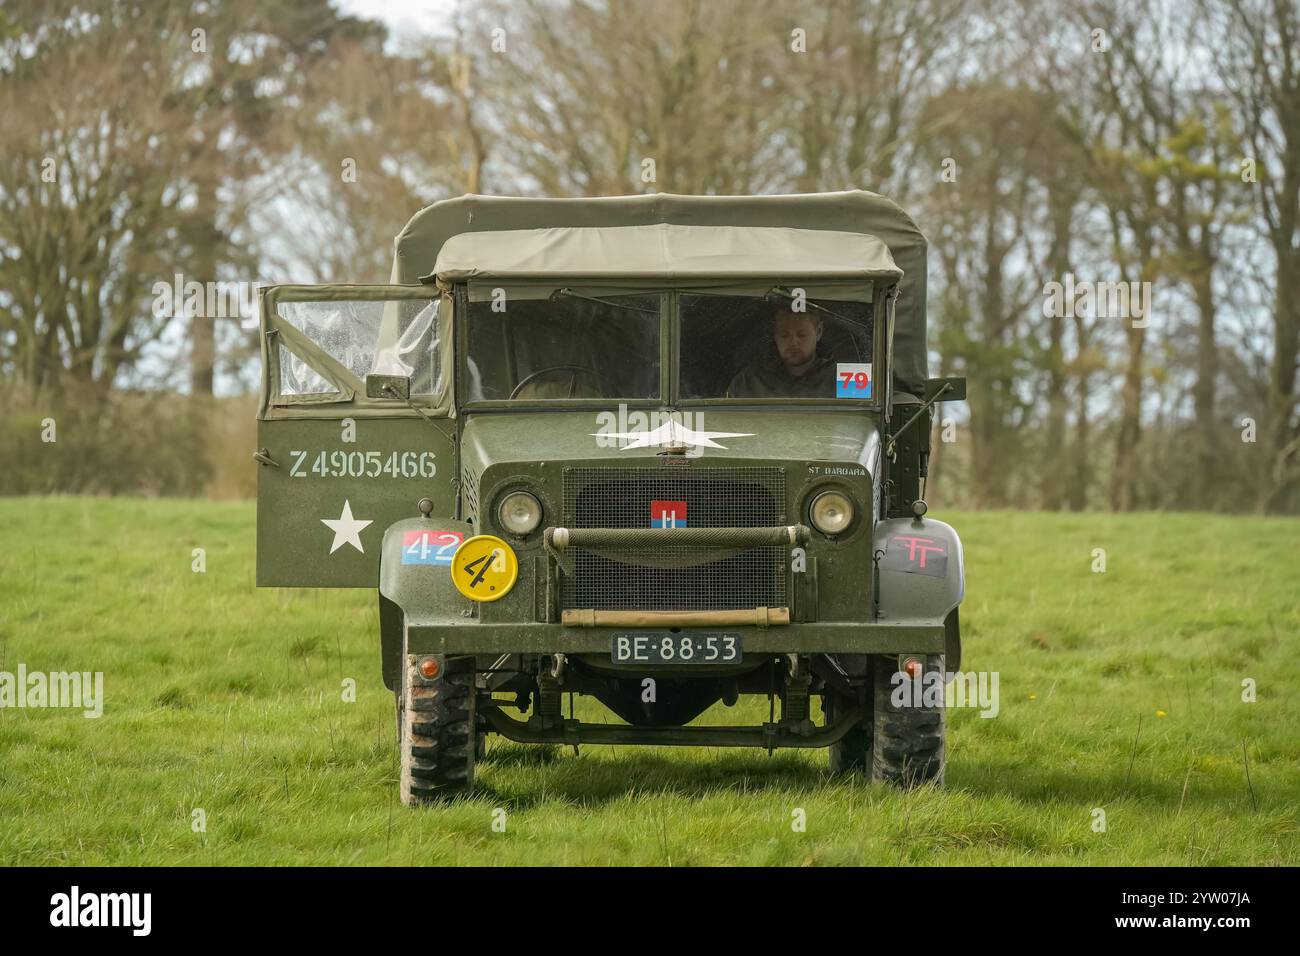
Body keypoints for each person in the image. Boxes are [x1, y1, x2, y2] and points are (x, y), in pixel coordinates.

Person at [726, 307, 834, 398]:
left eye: (802, 335)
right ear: (775, 335)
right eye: (785, 335)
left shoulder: (840, 379)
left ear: (819, 332)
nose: (793, 343)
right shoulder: (748, 383)